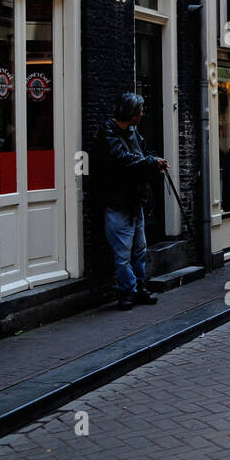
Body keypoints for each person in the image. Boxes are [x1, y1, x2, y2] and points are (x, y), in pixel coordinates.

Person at [96, 93, 168, 309]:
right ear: (132, 113)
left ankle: (140, 288)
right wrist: (150, 162)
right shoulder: (108, 133)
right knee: (122, 252)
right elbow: (122, 159)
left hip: (135, 201)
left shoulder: (134, 132)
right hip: (118, 202)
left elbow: (143, 153)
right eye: (140, 110)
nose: (143, 114)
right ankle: (127, 291)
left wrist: (154, 162)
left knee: (139, 249)